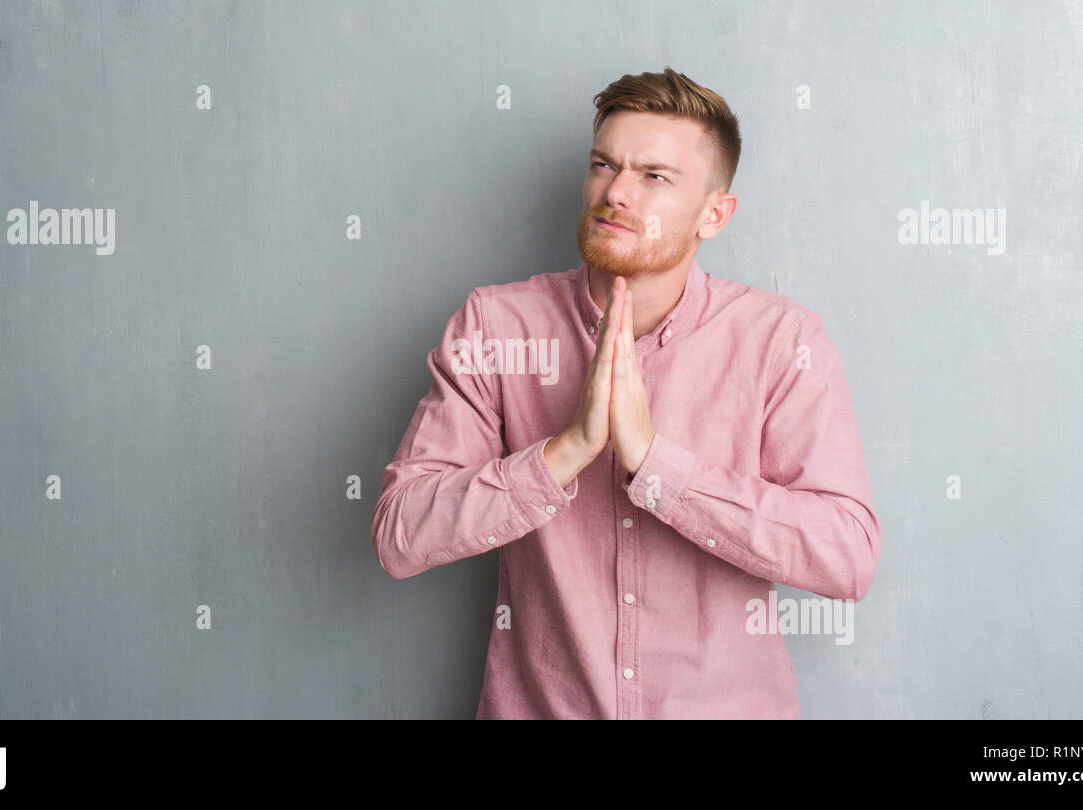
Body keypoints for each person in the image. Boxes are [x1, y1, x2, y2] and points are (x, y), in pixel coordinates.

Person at [371, 66, 882, 719]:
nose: (615, 193)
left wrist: (658, 465)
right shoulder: (496, 326)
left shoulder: (782, 341)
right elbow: (398, 534)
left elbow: (848, 556)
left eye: (654, 177)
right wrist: (566, 451)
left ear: (714, 214)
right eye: (603, 165)